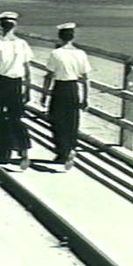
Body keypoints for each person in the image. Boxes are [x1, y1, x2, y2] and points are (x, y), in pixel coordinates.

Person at [0, 11, 33, 169]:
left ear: (1, 25)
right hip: (17, 83)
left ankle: (2, 154)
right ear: (15, 25)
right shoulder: (22, 44)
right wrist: (28, 89)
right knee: (15, 117)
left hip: (2, 83)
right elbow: (27, 69)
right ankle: (23, 148)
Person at [40, 22, 91, 170]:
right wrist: (86, 98)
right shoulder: (81, 54)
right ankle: (70, 149)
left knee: (56, 120)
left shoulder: (56, 54)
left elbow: (49, 75)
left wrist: (44, 94)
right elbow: (86, 78)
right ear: (73, 37)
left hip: (60, 88)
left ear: (60, 36)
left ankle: (62, 151)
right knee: (72, 121)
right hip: (73, 88)